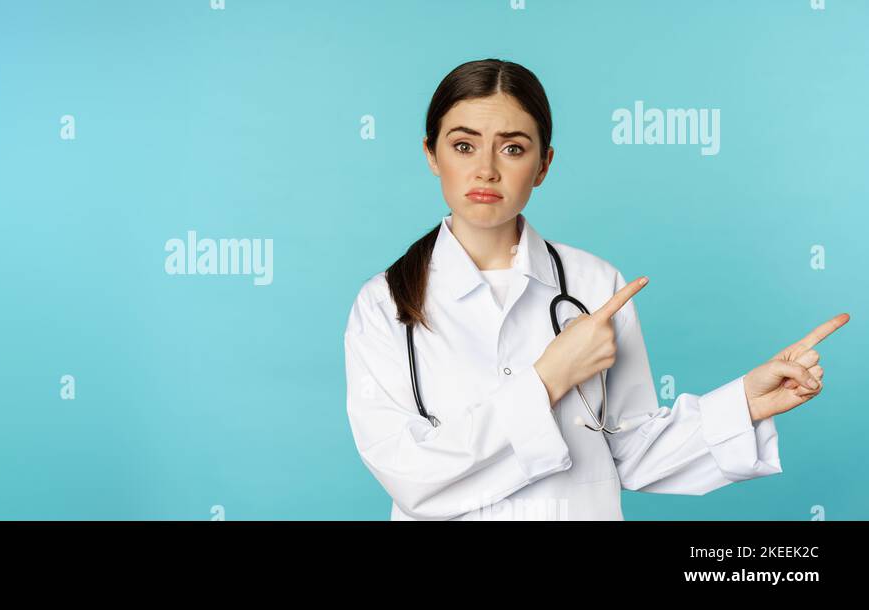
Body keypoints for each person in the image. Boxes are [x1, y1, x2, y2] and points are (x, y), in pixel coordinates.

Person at [343, 58, 850, 521]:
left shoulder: (594, 284)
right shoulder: (382, 303)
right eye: (463, 145)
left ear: (543, 165)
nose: (487, 169)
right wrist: (550, 377)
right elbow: (408, 475)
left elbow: (633, 450)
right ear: (432, 154)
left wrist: (745, 403)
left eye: (513, 147)